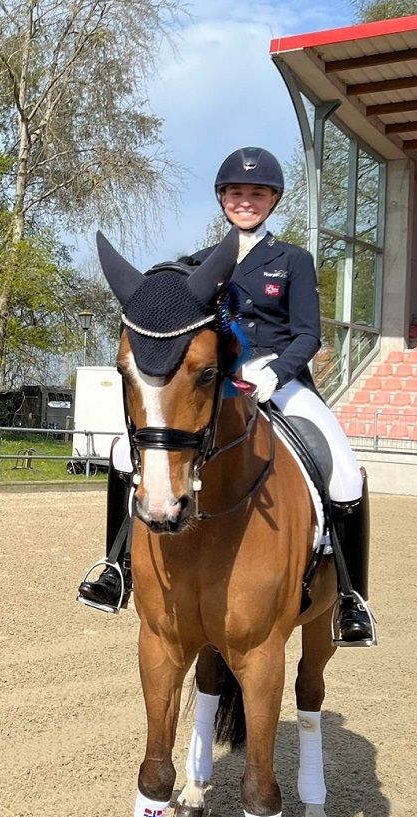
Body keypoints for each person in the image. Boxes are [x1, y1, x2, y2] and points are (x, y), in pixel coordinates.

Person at [77, 146, 376, 647]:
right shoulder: (197, 265)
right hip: (213, 383)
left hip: (280, 382)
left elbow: (308, 334)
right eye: (236, 193)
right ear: (222, 199)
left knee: (344, 470)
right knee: (120, 453)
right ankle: (117, 565)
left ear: (272, 200)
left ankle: (350, 597)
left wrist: (275, 374)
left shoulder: (293, 260)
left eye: (256, 194)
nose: (246, 201)